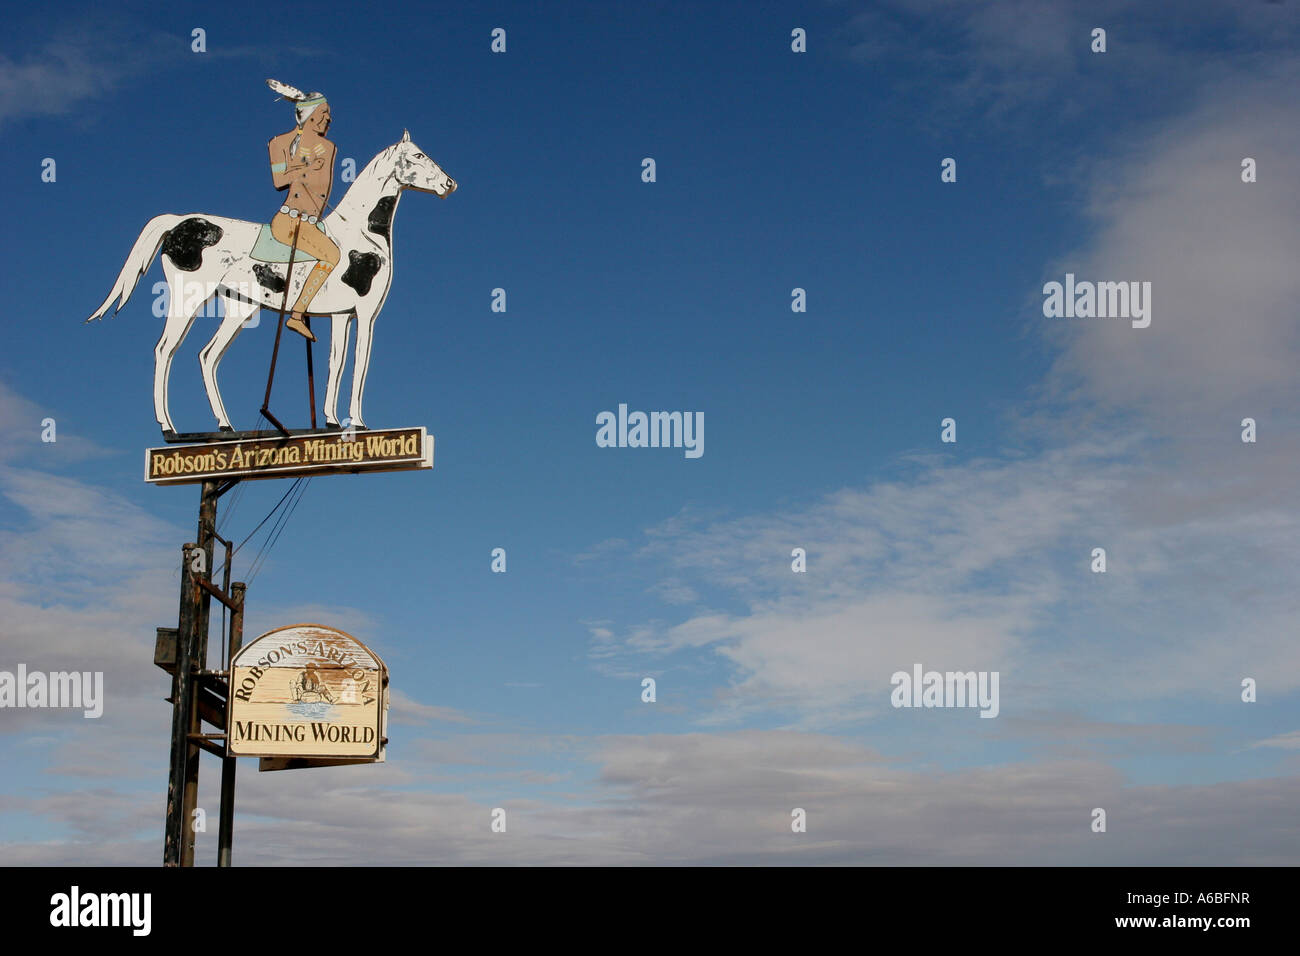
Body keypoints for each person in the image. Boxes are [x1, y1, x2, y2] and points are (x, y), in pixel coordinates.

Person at [266, 79, 340, 342]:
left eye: (329, 114)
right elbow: (278, 181)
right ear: (308, 116)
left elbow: (323, 192)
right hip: (289, 221)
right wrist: (304, 167)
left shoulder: (329, 148)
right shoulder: (280, 143)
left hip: (311, 223)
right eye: (323, 114)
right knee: (332, 255)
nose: (329, 119)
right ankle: (297, 315)